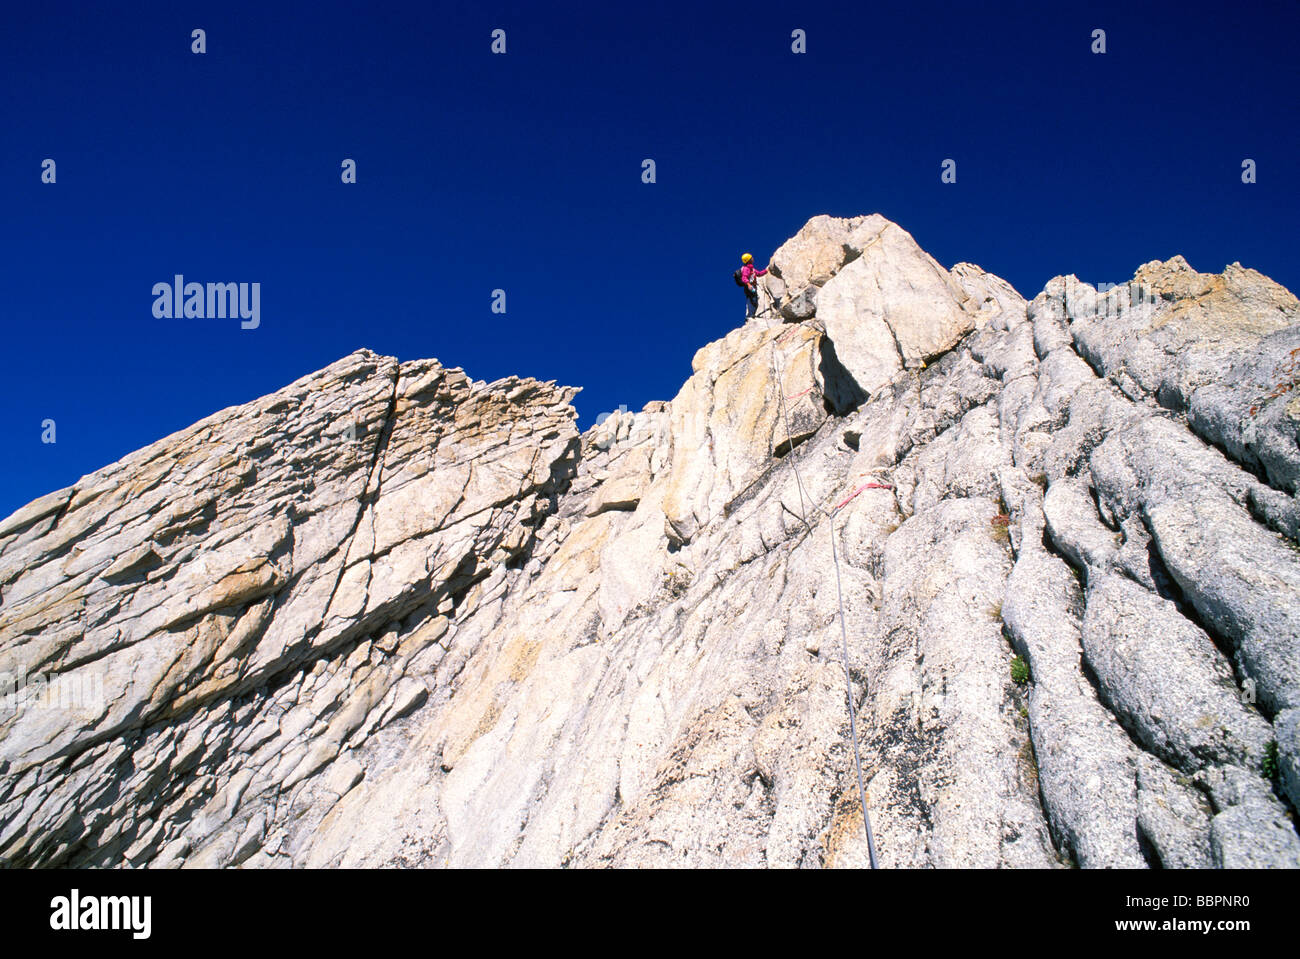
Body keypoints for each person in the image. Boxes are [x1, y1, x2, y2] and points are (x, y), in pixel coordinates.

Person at [738, 253, 768, 318]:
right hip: (749, 288)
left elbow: (759, 273)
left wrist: (766, 271)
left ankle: (753, 314)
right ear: (749, 260)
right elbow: (744, 278)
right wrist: (749, 285)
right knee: (752, 300)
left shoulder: (752, 269)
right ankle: (750, 316)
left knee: (754, 299)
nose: (753, 258)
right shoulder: (746, 269)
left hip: (752, 286)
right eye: (751, 258)